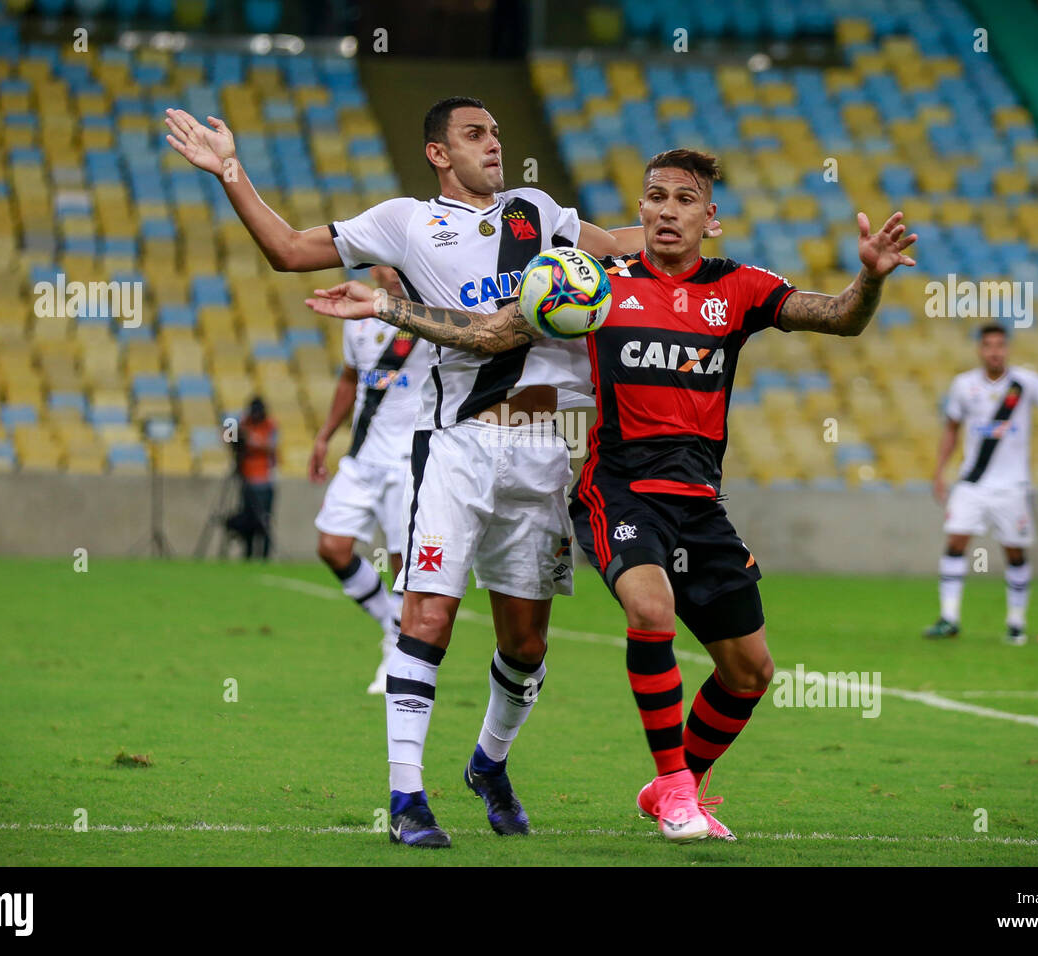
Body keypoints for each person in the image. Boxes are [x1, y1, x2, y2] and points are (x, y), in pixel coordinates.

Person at [307, 147, 918, 843]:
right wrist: (387, 304)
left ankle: (668, 783)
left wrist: (870, 277)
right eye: (655, 196)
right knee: (649, 610)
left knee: (750, 671)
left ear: (710, 220)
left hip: (699, 501)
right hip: (617, 487)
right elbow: (489, 332)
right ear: (640, 210)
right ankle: (682, 794)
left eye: (685, 200)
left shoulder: (741, 287)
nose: (666, 210)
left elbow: (840, 315)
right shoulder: (592, 283)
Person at [166, 96, 710, 848]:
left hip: (551, 451)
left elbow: (620, 243)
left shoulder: (535, 211)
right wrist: (229, 170)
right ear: (438, 153)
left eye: (495, 131)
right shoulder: (405, 222)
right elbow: (290, 249)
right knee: (430, 617)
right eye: (475, 134)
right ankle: (406, 797)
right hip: (459, 445)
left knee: (526, 647)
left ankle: (488, 763)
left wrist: (685, 222)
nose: (494, 143)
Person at [923, 324, 1038, 645]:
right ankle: (949, 618)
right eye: (988, 346)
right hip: (973, 482)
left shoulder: (1026, 383)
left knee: (1014, 551)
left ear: (1007, 348)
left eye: (1000, 345)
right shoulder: (963, 385)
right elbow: (951, 429)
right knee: (955, 541)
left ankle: (1016, 623)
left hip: (1013, 487)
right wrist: (940, 471)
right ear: (980, 350)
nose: (995, 351)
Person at [311, 267, 429, 694]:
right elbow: (349, 378)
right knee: (332, 545)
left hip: (408, 460)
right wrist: (325, 436)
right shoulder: (358, 321)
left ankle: (397, 657)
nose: (395, 273)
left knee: (403, 565)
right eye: (386, 265)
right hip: (362, 459)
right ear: (376, 269)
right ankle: (391, 622)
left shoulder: (427, 316)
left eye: (403, 265)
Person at [226, 396, 277, 559]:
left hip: (264, 481)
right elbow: (228, 437)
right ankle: (247, 554)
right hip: (246, 480)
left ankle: (264, 556)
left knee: (264, 521)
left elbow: (271, 447)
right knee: (248, 521)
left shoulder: (270, 425)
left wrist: (251, 439)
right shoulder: (244, 424)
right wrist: (234, 422)